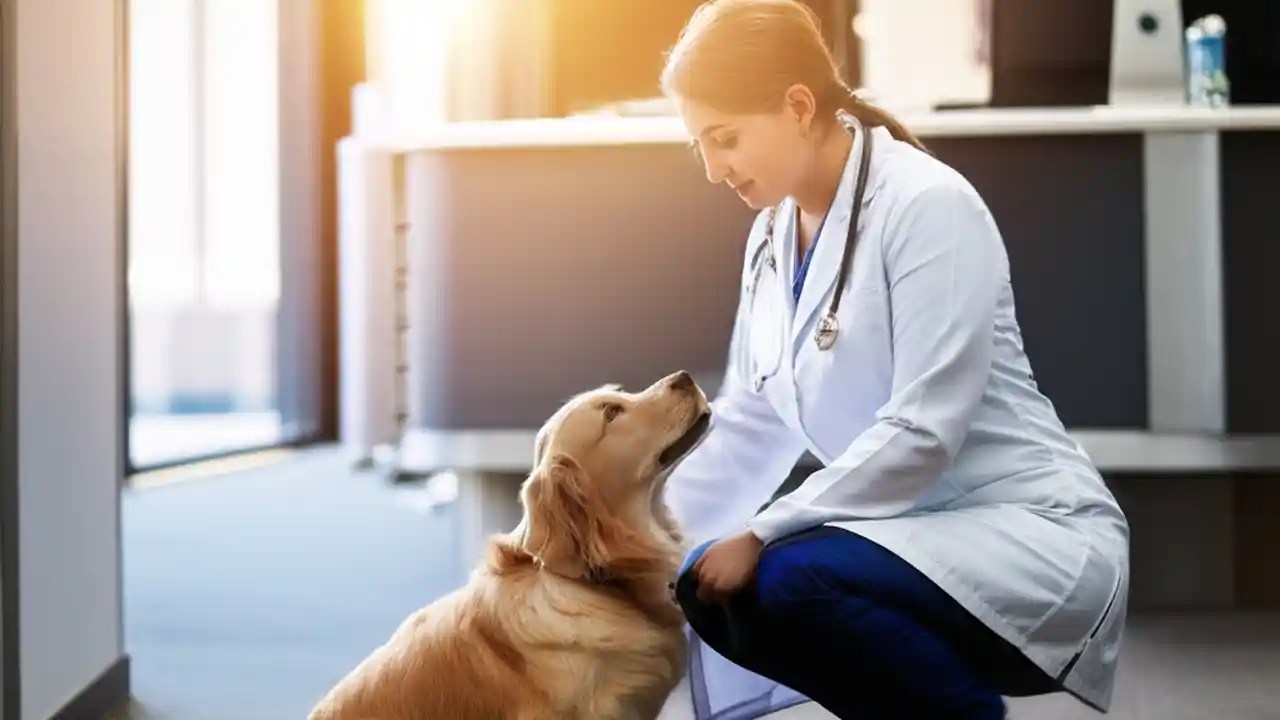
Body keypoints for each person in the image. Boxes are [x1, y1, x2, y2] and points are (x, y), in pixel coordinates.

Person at [656, 1, 1131, 718]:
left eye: (725, 139)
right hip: (904, 537)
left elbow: (923, 432)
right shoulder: (771, 237)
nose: (714, 170)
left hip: (1027, 531)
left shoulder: (927, 206)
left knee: (784, 577)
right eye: (700, 147)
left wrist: (762, 529)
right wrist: (637, 544)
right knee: (701, 580)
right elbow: (750, 428)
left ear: (796, 105)